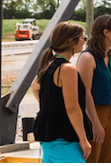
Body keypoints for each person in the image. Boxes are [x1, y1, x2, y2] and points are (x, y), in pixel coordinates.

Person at [32, 22, 92, 163]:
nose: (85, 41)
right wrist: (83, 140)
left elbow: (35, 87)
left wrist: (51, 107)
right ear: (71, 41)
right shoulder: (67, 69)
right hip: (63, 139)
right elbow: (72, 108)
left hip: (49, 140)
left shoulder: (49, 65)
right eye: (83, 38)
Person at [78, 14, 111, 163]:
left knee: (108, 157)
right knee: (93, 158)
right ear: (106, 32)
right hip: (94, 112)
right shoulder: (88, 58)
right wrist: (96, 123)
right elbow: (85, 94)